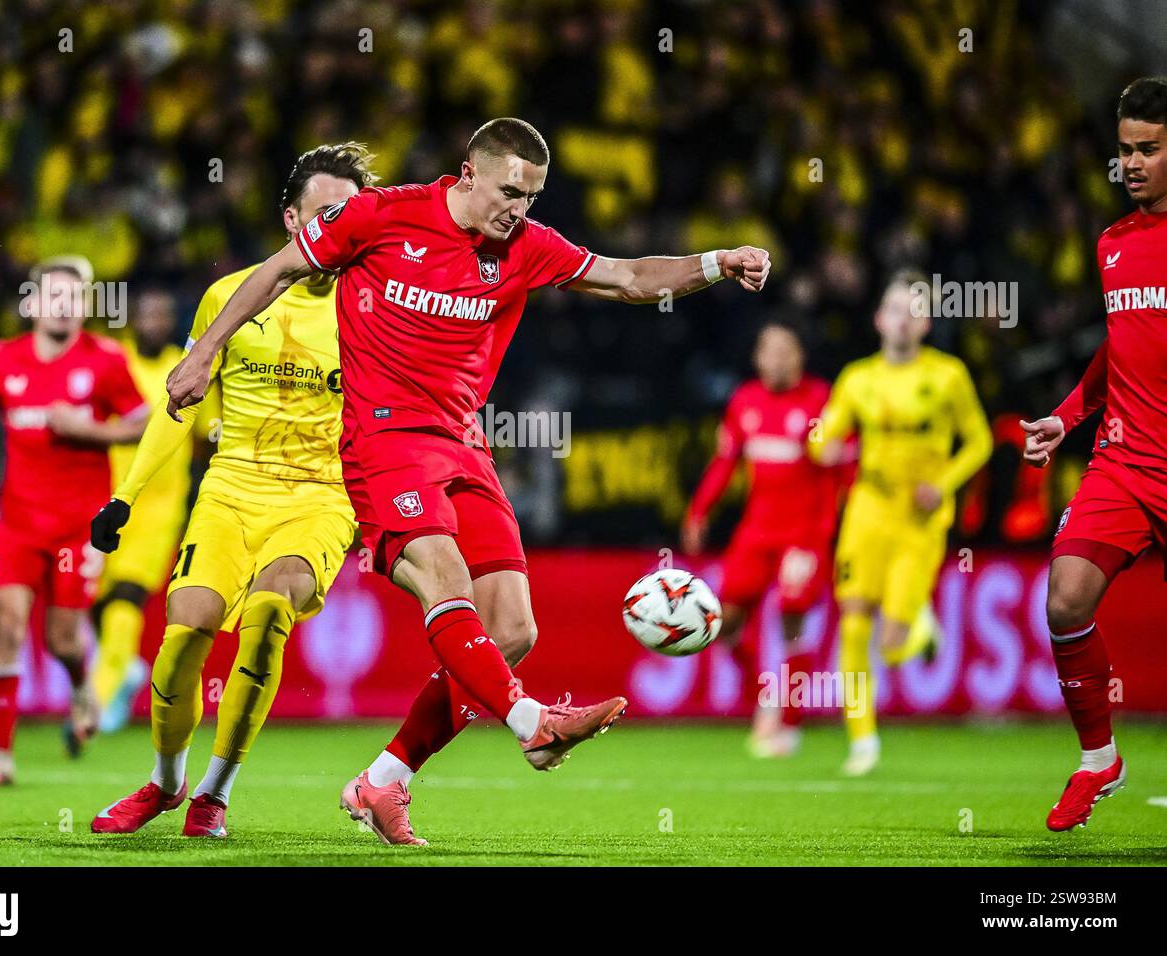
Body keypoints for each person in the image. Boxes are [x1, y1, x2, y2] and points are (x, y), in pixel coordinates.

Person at [166, 117, 771, 845]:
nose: (520, 208)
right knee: (447, 585)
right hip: (382, 440)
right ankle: (532, 723)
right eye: (511, 190)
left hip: (463, 444)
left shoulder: (525, 247)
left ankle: (382, 783)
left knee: (512, 630)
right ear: (469, 173)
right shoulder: (383, 215)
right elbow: (275, 272)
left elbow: (628, 276)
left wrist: (717, 262)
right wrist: (202, 355)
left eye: (534, 196)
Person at [89, 144, 375, 838]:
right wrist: (125, 495)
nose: (338, 226)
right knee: (184, 633)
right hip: (230, 489)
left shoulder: (372, 308)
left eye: (350, 214)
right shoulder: (230, 296)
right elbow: (179, 400)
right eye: (324, 213)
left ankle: (213, 795)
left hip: (320, 494)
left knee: (272, 607)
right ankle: (165, 782)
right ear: (290, 218)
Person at [1021, 76, 1167, 831]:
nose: (1132, 164)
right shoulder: (1113, 244)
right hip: (1127, 460)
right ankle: (1097, 759)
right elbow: (1122, 344)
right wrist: (1069, 416)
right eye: (1124, 151)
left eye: (1148, 149)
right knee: (1065, 600)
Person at [0, 256, 149, 784]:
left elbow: (143, 422)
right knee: (8, 629)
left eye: (75, 299)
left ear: (85, 307)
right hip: (17, 523)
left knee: (62, 640)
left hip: (76, 528)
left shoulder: (106, 361)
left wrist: (89, 431)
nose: (64, 307)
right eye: (55, 297)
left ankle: (82, 686)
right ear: (33, 303)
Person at [813, 270, 991, 776]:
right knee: (852, 623)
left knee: (891, 645)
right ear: (878, 319)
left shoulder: (949, 375)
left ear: (928, 322)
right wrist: (821, 443)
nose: (904, 320)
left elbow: (979, 441)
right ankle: (862, 740)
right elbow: (826, 433)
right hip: (870, 506)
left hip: (921, 516)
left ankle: (921, 631)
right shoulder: (857, 378)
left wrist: (945, 483)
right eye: (895, 309)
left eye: (914, 311)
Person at [682, 321, 839, 758]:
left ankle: (789, 723)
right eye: (766, 350)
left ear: (799, 358)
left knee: (792, 617)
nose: (774, 359)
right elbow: (724, 462)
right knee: (723, 623)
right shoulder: (744, 401)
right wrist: (699, 511)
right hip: (756, 532)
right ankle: (765, 699)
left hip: (802, 534)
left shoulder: (820, 402)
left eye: (783, 350)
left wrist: (822, 535)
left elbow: (838, 475)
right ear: (757, 357)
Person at [91, 289, 193, 733]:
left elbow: (207, 432)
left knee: (127, 596)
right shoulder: (114, 361)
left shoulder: (189, 365)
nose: (154, 320)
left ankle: (96, 701)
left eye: (163, 313)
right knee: (93, 604)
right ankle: (126, 669)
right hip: (106, 499)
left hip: (159, 507)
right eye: (146, 312)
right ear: (132, 317)